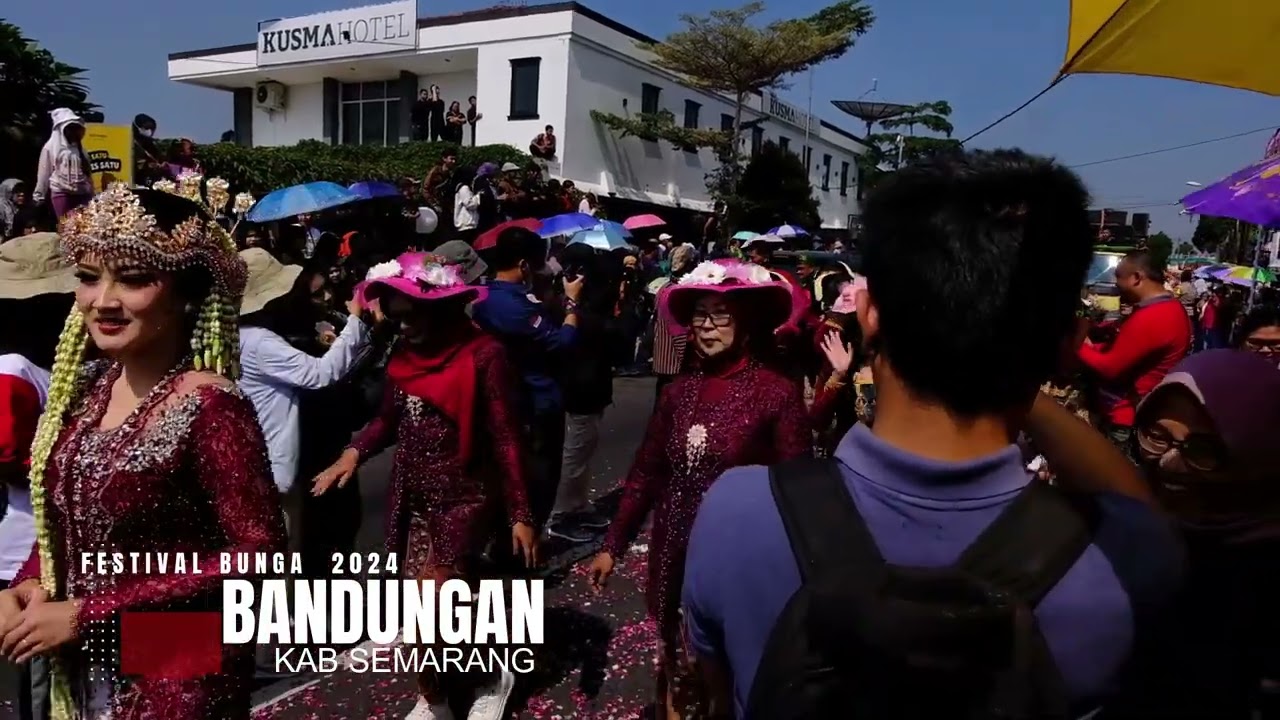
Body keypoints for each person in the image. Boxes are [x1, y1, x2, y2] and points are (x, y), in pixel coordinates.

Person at [681, 150, 1182, 719]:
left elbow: (717, 696)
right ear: (1069, 339)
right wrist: (1016, 363)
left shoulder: (737, 512)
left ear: (869, 314)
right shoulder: (1123, 556)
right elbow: (1139, 513)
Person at [0, 183, 286, 718]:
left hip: (180, 664)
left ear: (185, 294)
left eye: (133, 279)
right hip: (88, 661)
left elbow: (260, 553)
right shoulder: (86, 389)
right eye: (89, 277)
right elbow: (67, 519)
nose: (103, 300)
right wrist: (28, 582)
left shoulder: (210, 404)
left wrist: (87, 613)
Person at [312, 252, 536, 720]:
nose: (404, 327)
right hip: (413, 499)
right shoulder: (404, 354)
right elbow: (388, 419)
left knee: (444, 599)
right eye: (397, 318)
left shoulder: (485, 355)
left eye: (412, 316)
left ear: (441, 309)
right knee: (418, 605)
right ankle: (433, 696)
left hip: (467, 497)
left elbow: (506, 437)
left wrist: (520, 513)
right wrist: (354, 453)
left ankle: (492, 678)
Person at [588, 259, 812, 719]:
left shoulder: (776, 392)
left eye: (719, 315)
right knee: (674, 664)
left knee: (725, 677)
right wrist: (613, 545)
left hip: (739, 557)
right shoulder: (677, 392)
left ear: (746, 322)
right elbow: (646, 472)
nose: (706, 326)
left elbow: (798, 486)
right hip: (672, 549)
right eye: (699, 315)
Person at [1109, 350, 1280, 718]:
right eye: (1157, 436)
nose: (1169, 461)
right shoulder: (1129, 514)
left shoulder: (1265, 568)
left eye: (1203, 449)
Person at [0, 233, 76, 720]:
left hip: (42, 550)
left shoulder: (48, 367)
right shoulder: (14, 367)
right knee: (30, 686)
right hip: (21, 553)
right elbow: (6, 451)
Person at [472, 229, 583, 531]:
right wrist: (572, 305)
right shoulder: (513, 305)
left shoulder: (484, 296)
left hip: (503, 402)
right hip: (536, 405)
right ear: (523, 265)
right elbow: (563, 343)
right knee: (539, 480)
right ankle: (525, 541)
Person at [1078, 249, 1192, 455]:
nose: (1116, 285)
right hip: (1126, 412)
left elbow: (1110, 367)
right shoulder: (1165, 308)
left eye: (1118, 278)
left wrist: (1074, 344)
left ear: (1136, 278)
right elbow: (1126, 350)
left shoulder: (1156, 316)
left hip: (1123, 418)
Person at [546, 243, 619, 543]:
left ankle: (577, 504)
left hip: (594, 387)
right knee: (573, 456)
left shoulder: (591, 298)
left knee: (584, 452)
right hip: (577, 390)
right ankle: (559, 515)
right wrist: (572, 302)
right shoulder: (563, 305)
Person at [33, 108, 94, 220]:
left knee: (85, 225)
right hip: (61, 193)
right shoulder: (50, 148)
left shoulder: (81, 149)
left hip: (83, 194)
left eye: (75, 128)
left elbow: (88, 174)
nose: (72, 131)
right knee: (66, 225)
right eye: (70, 128)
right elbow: (44, 173)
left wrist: (92, 193)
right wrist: (39, 195)